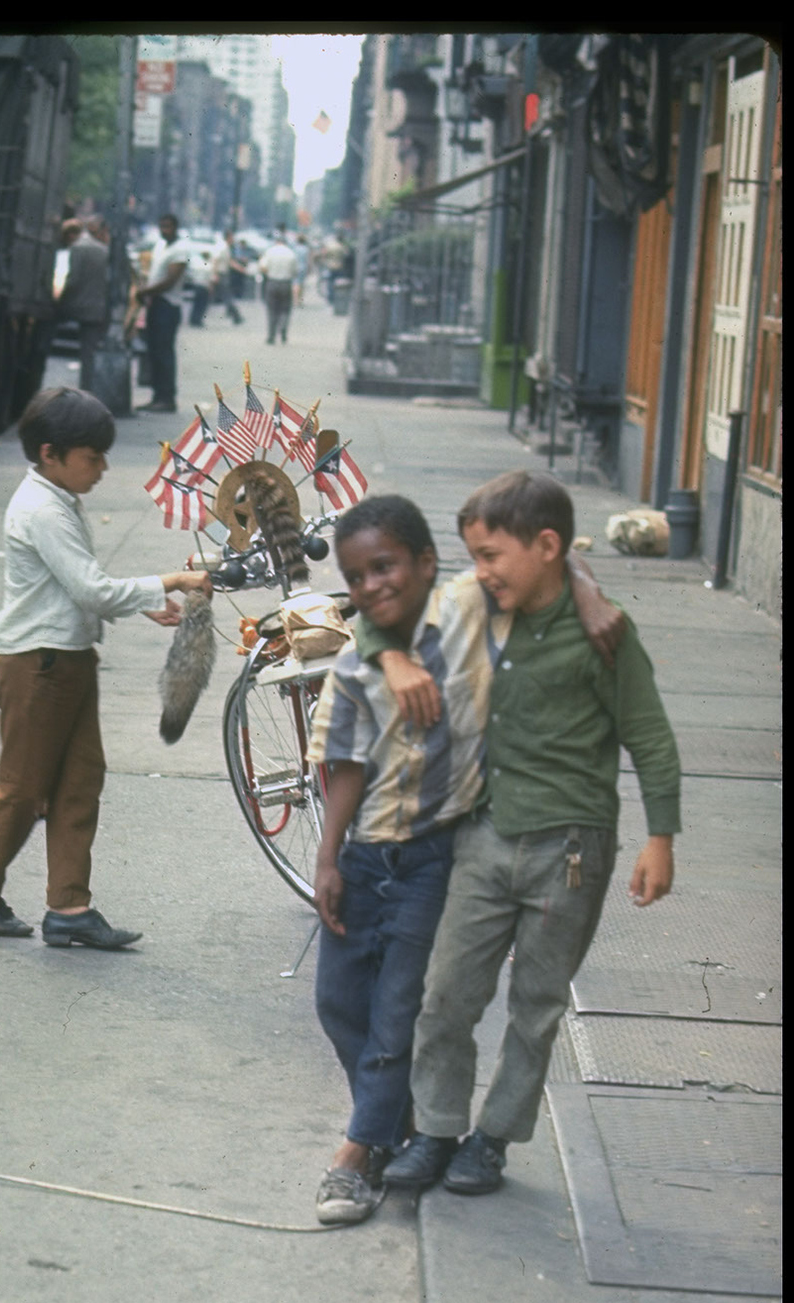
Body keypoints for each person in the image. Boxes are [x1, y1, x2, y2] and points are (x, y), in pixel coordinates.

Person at [305, 493, 625, 1227]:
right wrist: (327, 858)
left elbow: (546, 550)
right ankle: (398, 1122)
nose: (372, 586)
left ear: (427, 564)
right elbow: (343, 765)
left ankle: (359, 1152)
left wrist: (590, 592)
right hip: (362, 857)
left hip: (433, 859)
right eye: (356, 577)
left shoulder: (467, 612)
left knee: (400, 1010)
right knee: (337, 1001)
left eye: (387, 567)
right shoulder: (357, 661)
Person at [369, 470, 681, 1197]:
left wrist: (660, 836)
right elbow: (378, 612)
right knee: (446, 993)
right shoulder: (478, 607)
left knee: (536, 1007)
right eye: (472, 556)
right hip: (485, 836)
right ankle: (437, 1128)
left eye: (489, 555)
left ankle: (493, 1139)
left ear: (545, 548)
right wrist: (389, 652)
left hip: (570, 851)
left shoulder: (603, 633)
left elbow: (651, 737)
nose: (479, 571)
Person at [0, 386, 212, 949]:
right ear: (51, 453)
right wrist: (169, 581)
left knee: (79, 781)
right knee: (23, 787)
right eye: (92, 457)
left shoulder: (57, 498)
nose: (102, 468)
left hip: (64, 660)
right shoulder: (42, 507)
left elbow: (73, 588)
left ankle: (69, 904)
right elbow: (90, 588)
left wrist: (143, 603)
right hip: (38, 665)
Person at [130, 213, 188, 413]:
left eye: (168, 226)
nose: (165, 230)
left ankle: (166, 397)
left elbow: (170, 281)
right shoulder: (160, 245)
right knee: (154, 351)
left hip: (168, 305)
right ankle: (157, 396)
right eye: (162, 226)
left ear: (175, 227)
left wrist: (146, 291)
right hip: (156, 303)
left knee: (164, 352)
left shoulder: (180, 250)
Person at [56, 217, 111, 391]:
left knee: (87, 354)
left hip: (81, 307)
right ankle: (89, 389)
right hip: (98, 308)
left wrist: (61, 300)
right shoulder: (103, 249)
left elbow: (73, 280)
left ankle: (86, 390)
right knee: (90, 352)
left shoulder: (78, 248)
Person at [257, 225, 298, 345]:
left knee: (272, 310)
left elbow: (263, 267)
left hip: (272, 282)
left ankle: (271, 336)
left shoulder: (270, 252)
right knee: (285, 309)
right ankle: (283, 330)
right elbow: (295, 272)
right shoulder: (291, 254)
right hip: (286, 283)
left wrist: (270, 273)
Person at [209, 231, 244, 324]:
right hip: (220, 274)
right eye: (232, 238)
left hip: (223, 273)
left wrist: (240, 268)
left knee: (223, 295)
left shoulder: (226, 247)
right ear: (228, 237)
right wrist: (214, 274)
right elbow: (215, 260)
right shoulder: (222, 247)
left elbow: (229, 262)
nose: (233, 240)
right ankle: (236, 316)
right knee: (226, 296)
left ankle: (234, 315)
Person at [293, 235, 310, 307]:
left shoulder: (294, 248)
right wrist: (310, 268)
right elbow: (308, 260)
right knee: (302, 285)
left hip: (295, 267)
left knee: (296, 284)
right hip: (303, 267)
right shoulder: (306, 249)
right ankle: (300, 300)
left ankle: (295, 301)